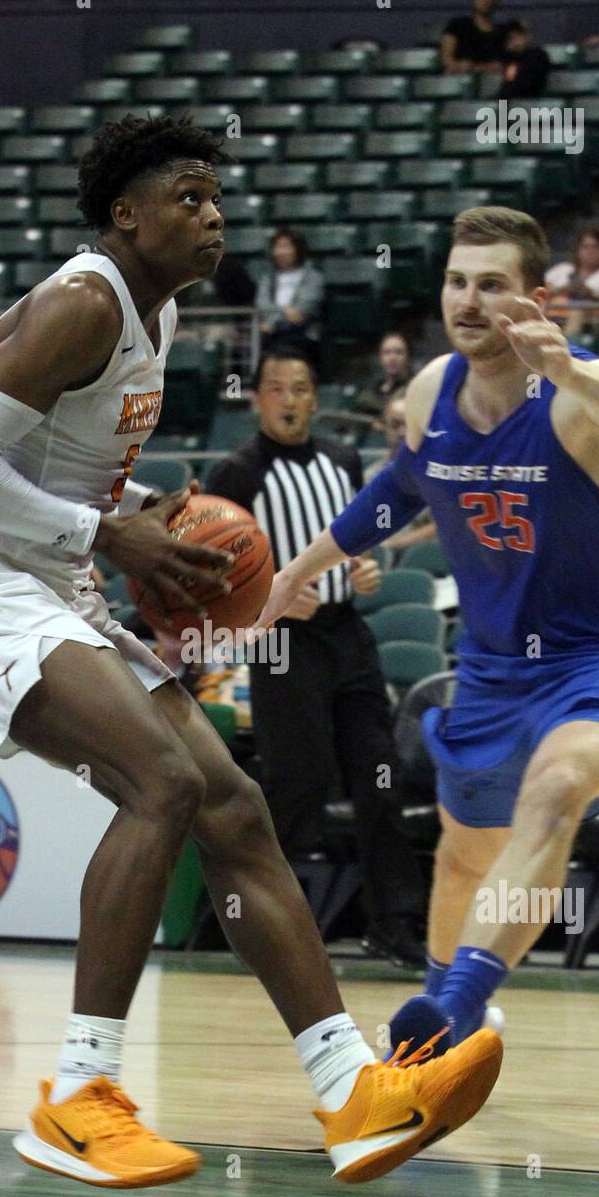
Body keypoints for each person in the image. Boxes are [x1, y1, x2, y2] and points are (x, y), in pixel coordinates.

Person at [0, 114, 502, 1190]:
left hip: (50, 582)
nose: (213, 214)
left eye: (217, 196)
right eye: (188, 196)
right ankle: (78, 1096)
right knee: (166, 781)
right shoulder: (85, 301)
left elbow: (57, 471)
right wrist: (105, 531)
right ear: (124, 214)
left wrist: (136, 513)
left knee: (232, 805)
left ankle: (352, 1091)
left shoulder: (159, 316)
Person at [254, 205, 599, 1062]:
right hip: (489, 672)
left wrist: (574, 369)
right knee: (461, 859)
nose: (469, 299)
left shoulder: (580, 401)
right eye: (457, 281)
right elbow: (401, 489)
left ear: (534, 302)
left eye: (493, 285)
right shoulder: (430, 390)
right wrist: (303, 566)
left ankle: (453, 1010)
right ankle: (436, 1041)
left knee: (557, 792)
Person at [206, 344, 429, 968]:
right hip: (281, 644)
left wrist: (358, 571)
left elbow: (354, 536)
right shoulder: (237, 474)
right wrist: (266, 597)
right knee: (293, 785)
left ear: (315, 398)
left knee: (379, 779)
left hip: (347, 635)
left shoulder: (342, 459)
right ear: (256, 399)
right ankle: (245, 917)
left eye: (302, 388)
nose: (291, 400)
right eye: (278, 388)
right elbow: (216, 570)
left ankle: (394, 922)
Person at [366, 395, 440, 556]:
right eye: (395, 425)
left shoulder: (440, 471)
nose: (402, 432)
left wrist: (392, 544)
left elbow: (442, 525)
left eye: (408, 424)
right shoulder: (372, 476)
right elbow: (380, 523)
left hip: (429, 559)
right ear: (385, 429)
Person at [255, 226, 324, 362]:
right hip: (271, 334)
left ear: (297, 249)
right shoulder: (267, 278)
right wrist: (285, 312)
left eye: (285, 247)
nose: (280, 252)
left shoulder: (314, 277)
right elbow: (262, 305)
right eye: (277, 247)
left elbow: (302, 312)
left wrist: (273, 322)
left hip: (302, 335)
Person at [440, 0, 522, 76]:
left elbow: (509, 66)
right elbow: (446, 61)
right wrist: (468, 67)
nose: (485, 0)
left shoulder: (503, 34)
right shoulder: (457, 26)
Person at [354, 332, 414, 419]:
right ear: (380, 358)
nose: (392, 358)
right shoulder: (369, 392)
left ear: (408, 357)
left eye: (398, 352)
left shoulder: (414, 389)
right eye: (387, 353)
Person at [497, 23, 551, 100]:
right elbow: (508, 84)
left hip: (532, 102)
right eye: (511, 38)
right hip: (511, 103)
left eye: (518, 36)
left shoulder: (538, 56)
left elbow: (527, 84)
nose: (515, 41)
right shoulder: (511, 60)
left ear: (527, 37)